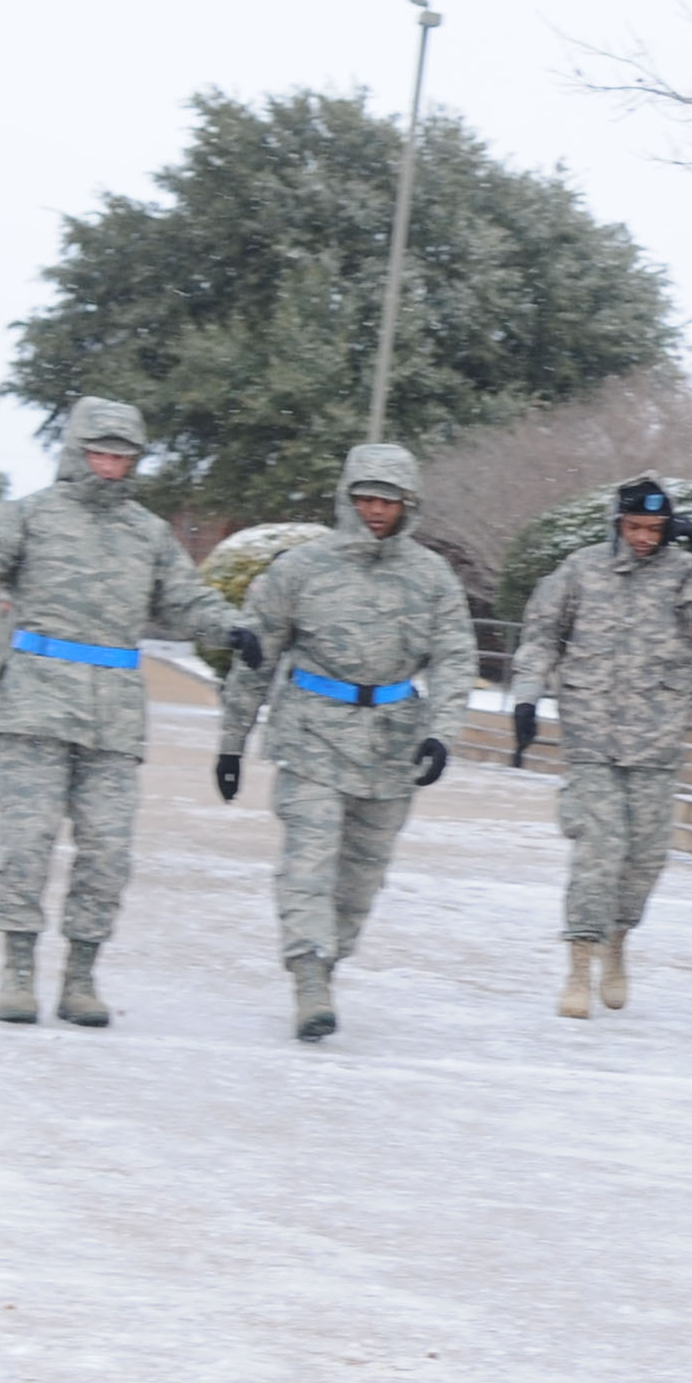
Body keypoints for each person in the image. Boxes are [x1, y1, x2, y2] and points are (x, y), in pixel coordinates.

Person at [0, 395, 233, 1027]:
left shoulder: (148, 535)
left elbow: (188, 598)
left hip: (112, 716)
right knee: (26, 843)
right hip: (33, 704)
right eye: (100, 453)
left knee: (108, 852)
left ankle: (82, 976)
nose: (111, 466)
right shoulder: (30, 516)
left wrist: (232, 628)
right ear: (77, 452)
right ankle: (19, 970)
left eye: (122, 456)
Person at [216, 442, 478, 1042]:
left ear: (408, 504)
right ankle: (307, 977)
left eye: (388, 500)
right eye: (365, 498)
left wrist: (442, 733)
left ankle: (328, 964)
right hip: (311, 730)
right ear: (346, 498)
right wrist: (232, 741)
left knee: (360, 876)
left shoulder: (431, 577)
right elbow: (257, 656)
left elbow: (456, 658)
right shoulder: (299, 569)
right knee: (308, 859)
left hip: (391, 743)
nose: (376, 511)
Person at [506, 476, 692, 1016]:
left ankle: (616, 942)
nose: (643, 537)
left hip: (656, 744)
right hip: (591, 737)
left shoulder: (685, 575)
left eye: (656, 529)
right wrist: (525, 698)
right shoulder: (581, 570)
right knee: (598, 851)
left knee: (644, 861)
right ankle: (579, 966)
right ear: (616, 523)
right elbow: (542, 632)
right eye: (634, 526)